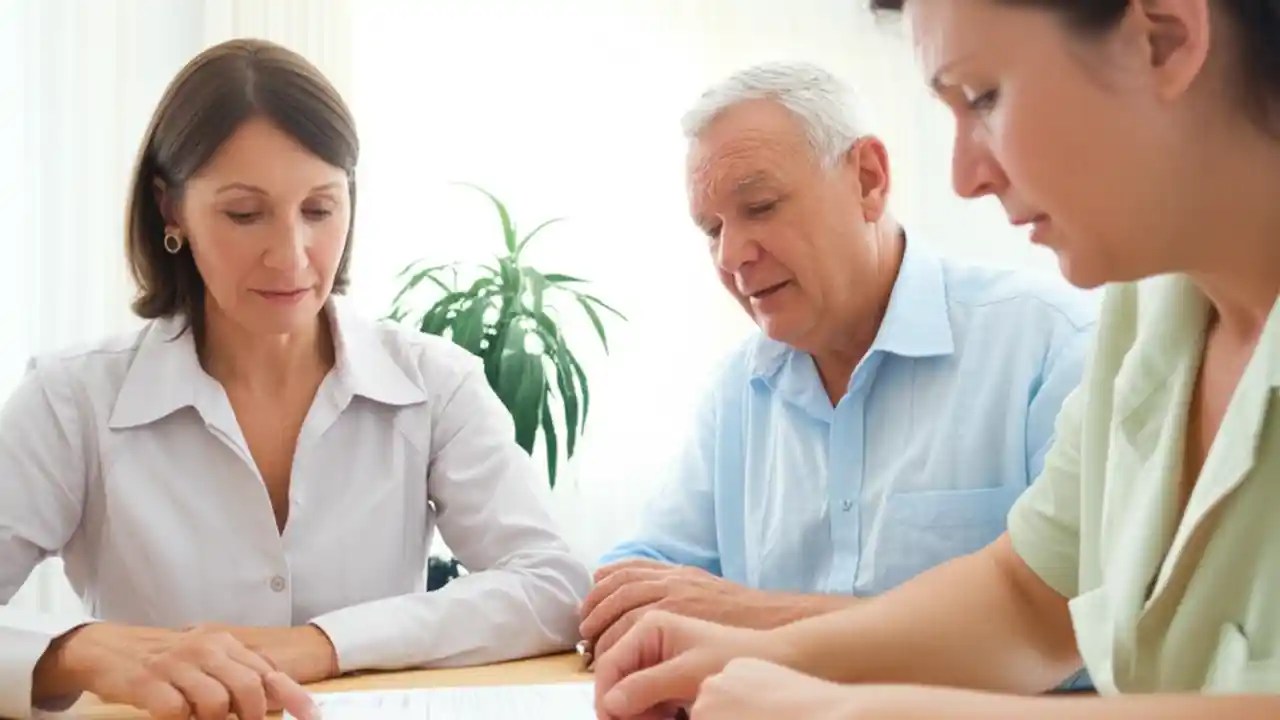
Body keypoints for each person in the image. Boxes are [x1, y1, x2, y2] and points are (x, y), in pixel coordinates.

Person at [591, 1, 1280, 718]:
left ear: (1163, 40)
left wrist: (842, 709)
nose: (964, 176)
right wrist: (757, 655)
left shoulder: (1050, 336)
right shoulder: (1143, 322)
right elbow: (1029, 597)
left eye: (984, 96)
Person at [0, 38, 589, 720]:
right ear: (171, 211)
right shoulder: (71, 398)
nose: (291, 254)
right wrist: (81, 652)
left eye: (319, 209)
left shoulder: (435, 383)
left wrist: (318, 645)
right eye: (244, 214)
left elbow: (551, 585)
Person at [580, 62, 1097, 661]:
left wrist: (754, 617)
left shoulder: (1050, 348)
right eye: (711, 229)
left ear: (869, 180)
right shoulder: (738, 392)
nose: (732, 255)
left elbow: (1090, 640)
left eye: (762, 206)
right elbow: (639, 580)